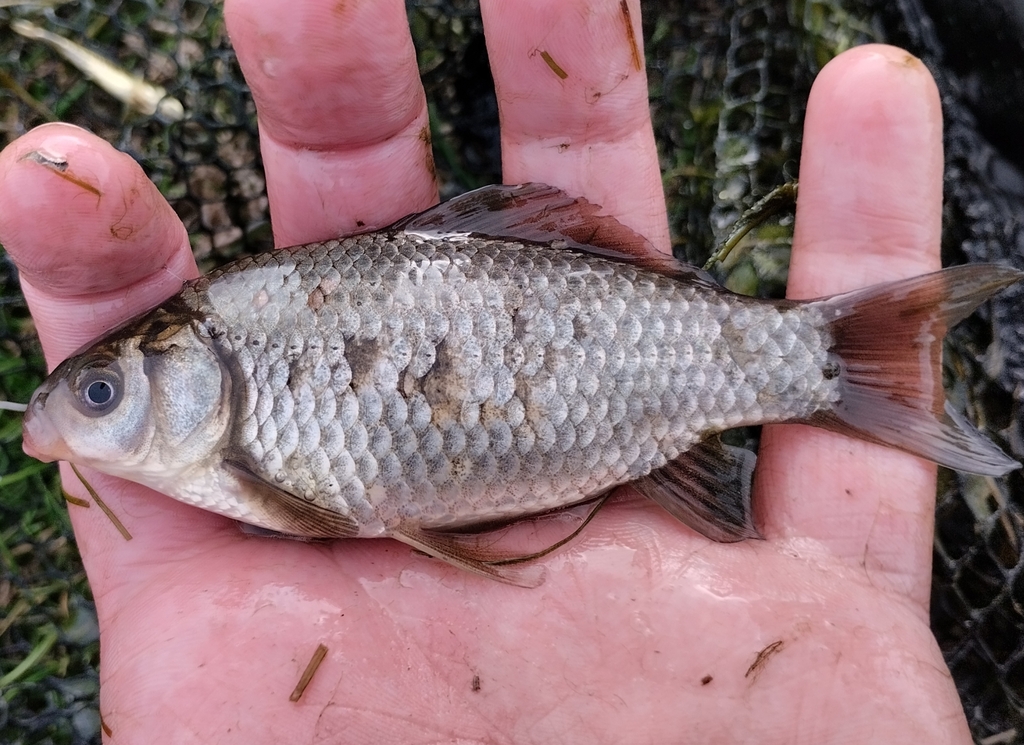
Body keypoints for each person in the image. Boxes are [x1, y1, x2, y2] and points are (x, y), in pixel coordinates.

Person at [0, 1, 974, 742]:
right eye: (99, 392)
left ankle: (825, 359)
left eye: (102, 393)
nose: (86, 418)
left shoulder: (248, 445)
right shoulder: (231, 435)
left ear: (193, 370)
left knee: (801, 359)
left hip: (590, 366)